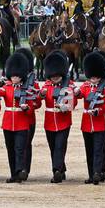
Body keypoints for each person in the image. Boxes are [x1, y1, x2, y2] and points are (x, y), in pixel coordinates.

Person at [0, 50, 38, 182]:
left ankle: (20, 170)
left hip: (22, 123)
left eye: (17, 76)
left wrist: (27, 108)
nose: (14, 78)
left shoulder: (27, 88)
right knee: (10, 149)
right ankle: (13, 174)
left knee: (20, 148)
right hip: (8, 123)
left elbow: (33, 105)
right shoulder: (7, 87)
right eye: (12, 76)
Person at [78, 52, 105, 184]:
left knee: (98, 150)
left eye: (96, 77)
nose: (93, 79)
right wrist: (75, 92)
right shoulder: (85, 87)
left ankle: (96, 173)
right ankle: (91, 174)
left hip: (100, 124)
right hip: (87, 124)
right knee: (89, 150)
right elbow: (78, 94)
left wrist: (97, 111)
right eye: (91, 77)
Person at [39, 51, 73, 183]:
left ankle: (56, 171)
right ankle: (61, 168)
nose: (54, 77)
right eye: (52, 75)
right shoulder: (46, 86)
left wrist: (63, 106)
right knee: (53, 147)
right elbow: (36, 101)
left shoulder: (68, 85)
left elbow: (72, 104)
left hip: (63, 121)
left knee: (60, 146)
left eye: (57, 75)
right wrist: (41, 95)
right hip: (49, 122)